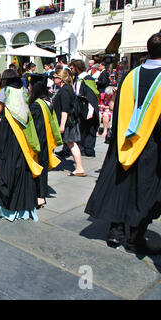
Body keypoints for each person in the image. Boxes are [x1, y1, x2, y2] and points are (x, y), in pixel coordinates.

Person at [85, 32, 161, 255]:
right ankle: (136, 237)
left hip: (124, 141)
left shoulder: (130, 76)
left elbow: (118, 112)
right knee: (146, 191)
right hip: (152, 145)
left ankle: (115, 232)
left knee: (121, 186)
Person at [0, 69, 42, 222]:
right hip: (23, 133)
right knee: (22, 168)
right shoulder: (23, 90)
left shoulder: (5, 91)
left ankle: (6, 208)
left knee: (7, 167)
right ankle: (25, 208)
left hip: (9, 132)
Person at [28, 75, 63, 209]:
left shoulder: (37, 105)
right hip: (46, 140)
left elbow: (34, 127)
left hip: (39, 141)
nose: (29, 88)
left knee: (38, 168)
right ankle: (41, 195)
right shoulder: (47, 102)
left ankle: (40, 197)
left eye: (30, 86)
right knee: (43, 169)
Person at [53, 68, 86, 177]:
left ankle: (80, 167)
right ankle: (79, 167)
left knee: (71, 143)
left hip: (67, 123)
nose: (53, 79)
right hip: (69, 122)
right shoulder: (67, 89)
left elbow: (65, 110)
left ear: (60, 79)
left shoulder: (65, 90)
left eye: (54, 77)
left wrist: (61, 125)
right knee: (71, 143)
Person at [71, 59, 100, 158]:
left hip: (86, 106)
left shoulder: (88, 78)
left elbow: (91, 96)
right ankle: (82, 147)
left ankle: (89, 149)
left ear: (77, 67)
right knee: (81, 127)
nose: (71, 70)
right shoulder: (77, 78)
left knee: (89, 127)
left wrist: (91, 111)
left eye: (72, 68)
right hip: (79, 104)